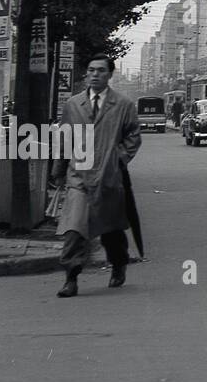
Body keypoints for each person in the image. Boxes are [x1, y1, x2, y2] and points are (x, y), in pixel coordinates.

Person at [52, 54, 142, 298]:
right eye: (91, 70)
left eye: (101, 70)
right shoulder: (73, 104)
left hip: (108, 176)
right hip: (78, 176)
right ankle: (71, 277)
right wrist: (59, 170)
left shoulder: (123, 104)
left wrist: (118, 159)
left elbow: (133, 136)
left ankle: (119, 263)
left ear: (109, 74)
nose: (94, 74)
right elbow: (65, 138)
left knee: (111, 228)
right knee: (74, 227)